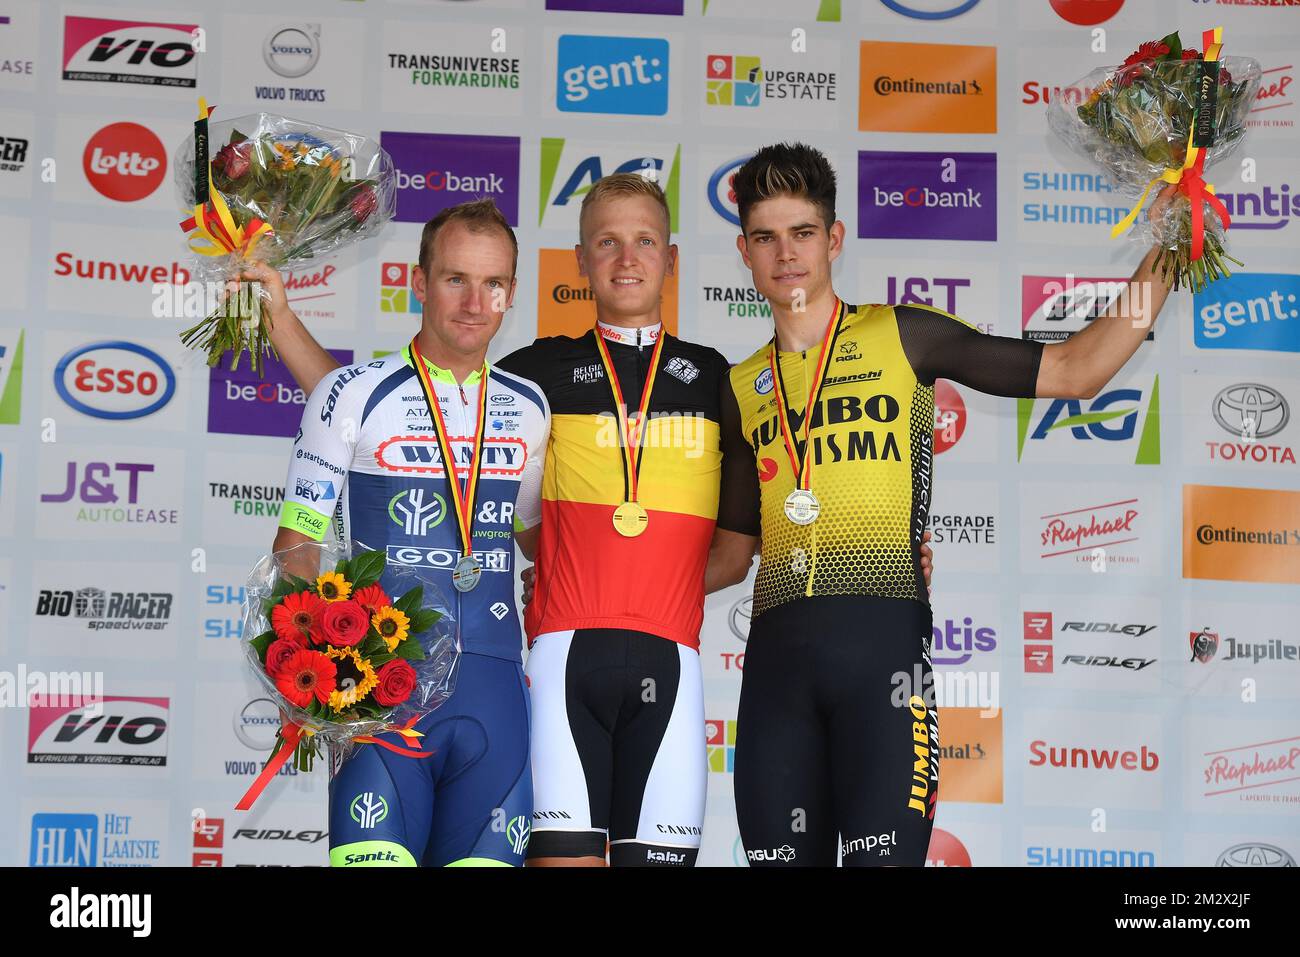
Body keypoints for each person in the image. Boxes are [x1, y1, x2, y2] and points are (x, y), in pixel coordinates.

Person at [262, 174, 934, 867]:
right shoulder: (532, 377)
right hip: (551, 667)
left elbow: (769, 508)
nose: (626, 258)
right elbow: (368, 412)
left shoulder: (720, 381)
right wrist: (278, 317)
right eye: (605, 243)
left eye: (644, 241)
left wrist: (889, 534)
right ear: (578, 260)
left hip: (669, 663)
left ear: (671, 258)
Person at [705, 142, 1176, 867]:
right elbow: (729, 557)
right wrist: (582, 579)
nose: (785, 253)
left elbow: (1078, 368)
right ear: (743, 250)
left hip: (884, 671)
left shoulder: (904, 335)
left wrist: (1170, 248)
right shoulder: (740, 387)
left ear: (833, 239)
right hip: (775, 684)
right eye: (765, 236)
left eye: (802, 232)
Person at [265, 198, 550, 867]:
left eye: (494, 283)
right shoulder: (354, 392)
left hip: (496, 700)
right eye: (455, 278)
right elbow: (296, 545)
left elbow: (539, 542)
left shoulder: (529, 407)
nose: (475, 301)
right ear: (419, 284)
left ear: (512, 291)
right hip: (382, 696)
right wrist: (327, 678)